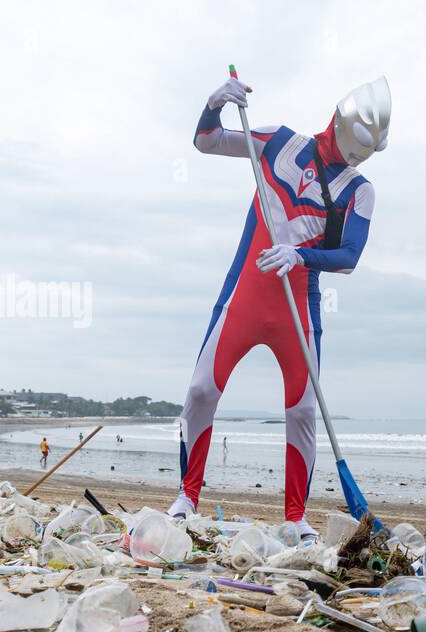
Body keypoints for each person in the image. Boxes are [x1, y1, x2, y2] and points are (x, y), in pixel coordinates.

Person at [167, 73, 389, 542]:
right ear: (338, 120)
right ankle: (187, 496)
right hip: (243, 296)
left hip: (297, 308)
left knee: (304, 411)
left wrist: (301, 254)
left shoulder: (360, 191)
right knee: (203, 389)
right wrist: (214, 104)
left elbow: (348, 258)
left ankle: (295, 517)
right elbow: (207, 142)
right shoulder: (278, 141)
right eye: (352, 147)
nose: (351, 159)